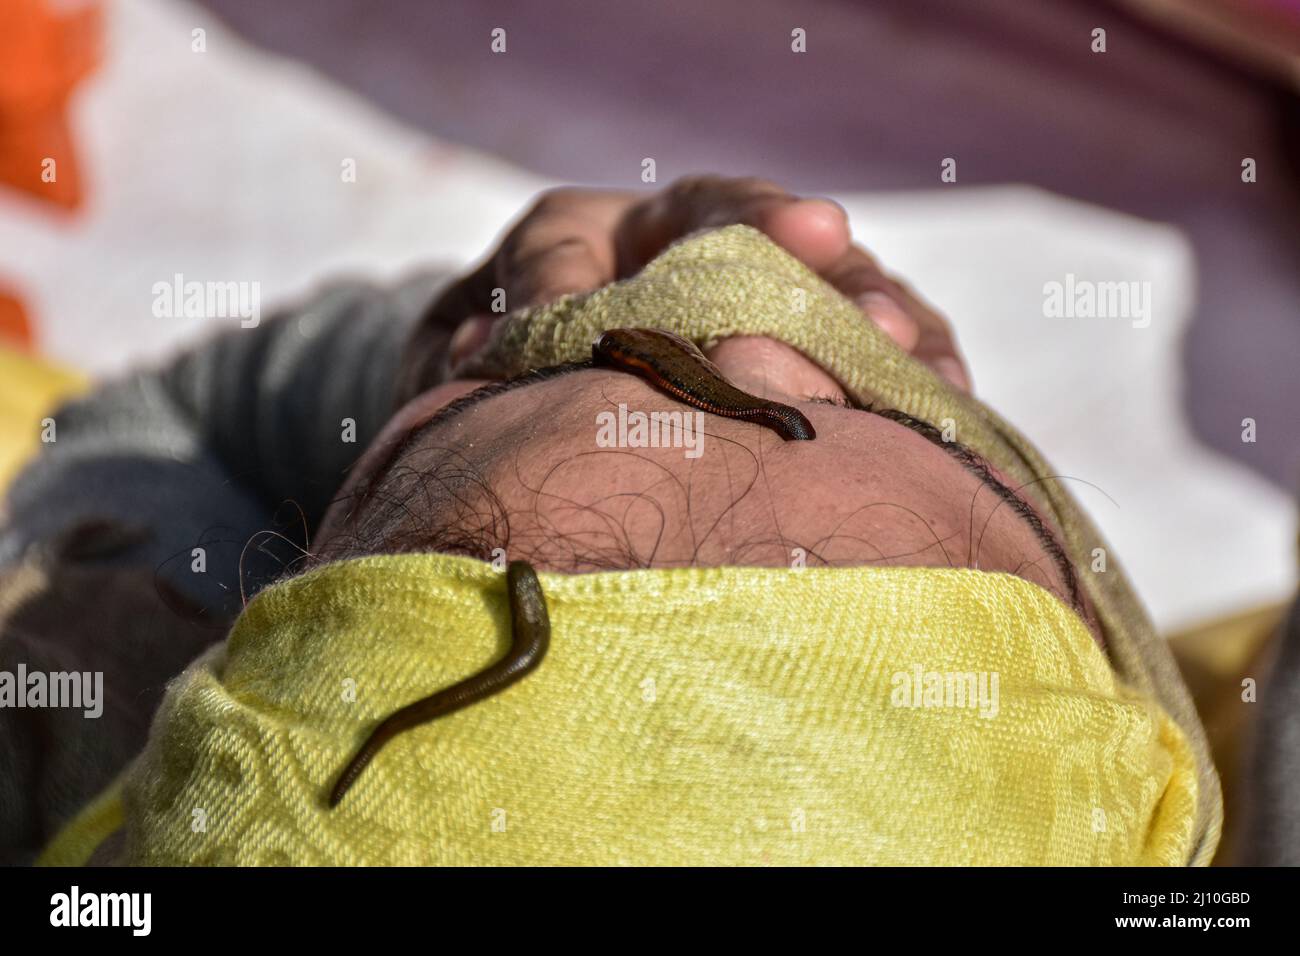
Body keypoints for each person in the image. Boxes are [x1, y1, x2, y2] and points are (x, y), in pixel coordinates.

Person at [1, 177, 1230, 865]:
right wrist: (476, 416)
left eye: (506, 388)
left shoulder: (74, 693)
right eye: (906, 420)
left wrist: (423, 372)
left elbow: (178, 432)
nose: (758, 339)